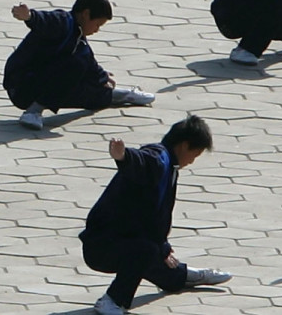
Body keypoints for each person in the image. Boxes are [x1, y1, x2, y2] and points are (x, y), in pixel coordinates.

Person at [79, 115, 229, 315]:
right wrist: (123, 156)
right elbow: (142, 162)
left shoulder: (169, 165)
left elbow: (154, 216)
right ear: (185, 146)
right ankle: (111, 301)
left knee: (158, 257)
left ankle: (183, 276)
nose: (193, 161)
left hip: (126, 238)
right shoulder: (159, 159)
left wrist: (163, 247)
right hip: (102, 245)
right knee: (146, 250)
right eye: (196, 154)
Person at [6, 0, 154, 128]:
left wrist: (103, 78)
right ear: (86, 14)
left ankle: (123, 95)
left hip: (40, 82)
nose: (97, 30)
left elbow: (91, 66)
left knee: (93, 93)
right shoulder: (63, 22)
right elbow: (46, 20)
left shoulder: (79, 37)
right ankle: (33, 112)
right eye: (97, 24)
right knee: (77, 64)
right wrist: (29, 16)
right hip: (21, 84)